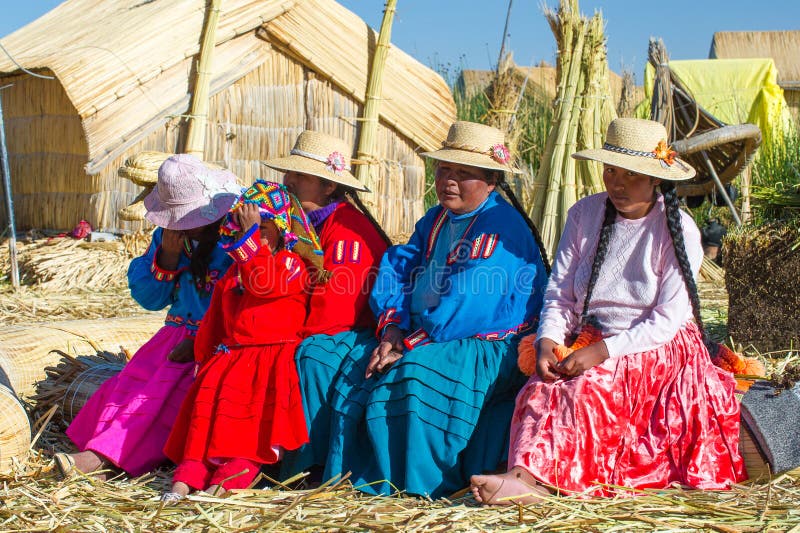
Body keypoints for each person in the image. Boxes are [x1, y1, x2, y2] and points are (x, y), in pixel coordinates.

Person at [471, 118, 745, 505]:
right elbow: (561, 293)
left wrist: (601, 353)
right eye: (611, 171)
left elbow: (665, 321)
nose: (617, 183)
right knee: (538, 389)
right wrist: (549, 339)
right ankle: (523, 474)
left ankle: (538, 482)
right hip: (591, 335)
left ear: (656, 179)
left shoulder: (678, 228)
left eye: (631, 175)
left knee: (588, 388)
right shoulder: (584, 214)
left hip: (654, 346)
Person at [324, 121, 550, 498]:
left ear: (492, 180)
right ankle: (342, 475)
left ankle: (419, 486)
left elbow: (468, 303)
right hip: (429, 332)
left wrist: (406, 345)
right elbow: (398, 267)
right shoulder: (437, 219)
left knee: (414, 375)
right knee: (352, 364)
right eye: (444, 169)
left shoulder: (500, 228)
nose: (448, 180)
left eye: (464, 174)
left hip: (491, 344)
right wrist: (393, 328)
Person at [57, 155, 240, 479]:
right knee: (128, 384)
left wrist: (202, 342)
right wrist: (167, 258)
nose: (176, 225)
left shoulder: (235, 238)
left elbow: (246, 299)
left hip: (218, 342)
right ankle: (107, 459)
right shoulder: (167, 238)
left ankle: (101, 461)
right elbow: (149, 299)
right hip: (171, 338)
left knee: (160, 396)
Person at [161, 180, 325, 501]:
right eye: (248, 226)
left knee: (247, 437)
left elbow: (263, 283)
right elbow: (215, 321)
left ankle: (221, 488)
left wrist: (249, 239)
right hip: (229, 363)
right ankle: (182, 484)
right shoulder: (236, 270)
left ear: (281, 228)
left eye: (263, 226)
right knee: (204, 433)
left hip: (267, 365)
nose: (256, 233)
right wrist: (205, 361)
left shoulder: (292, 266)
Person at [261, 130, 389, 479]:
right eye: (289, 172)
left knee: (308, 356)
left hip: (352, 330)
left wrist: (282, 338)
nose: (287, 181)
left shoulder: (347, 232)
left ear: (329, 186)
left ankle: (302, 465)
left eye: (299, 175)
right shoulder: (298, 225)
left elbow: (336, 308)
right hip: (317, 322)